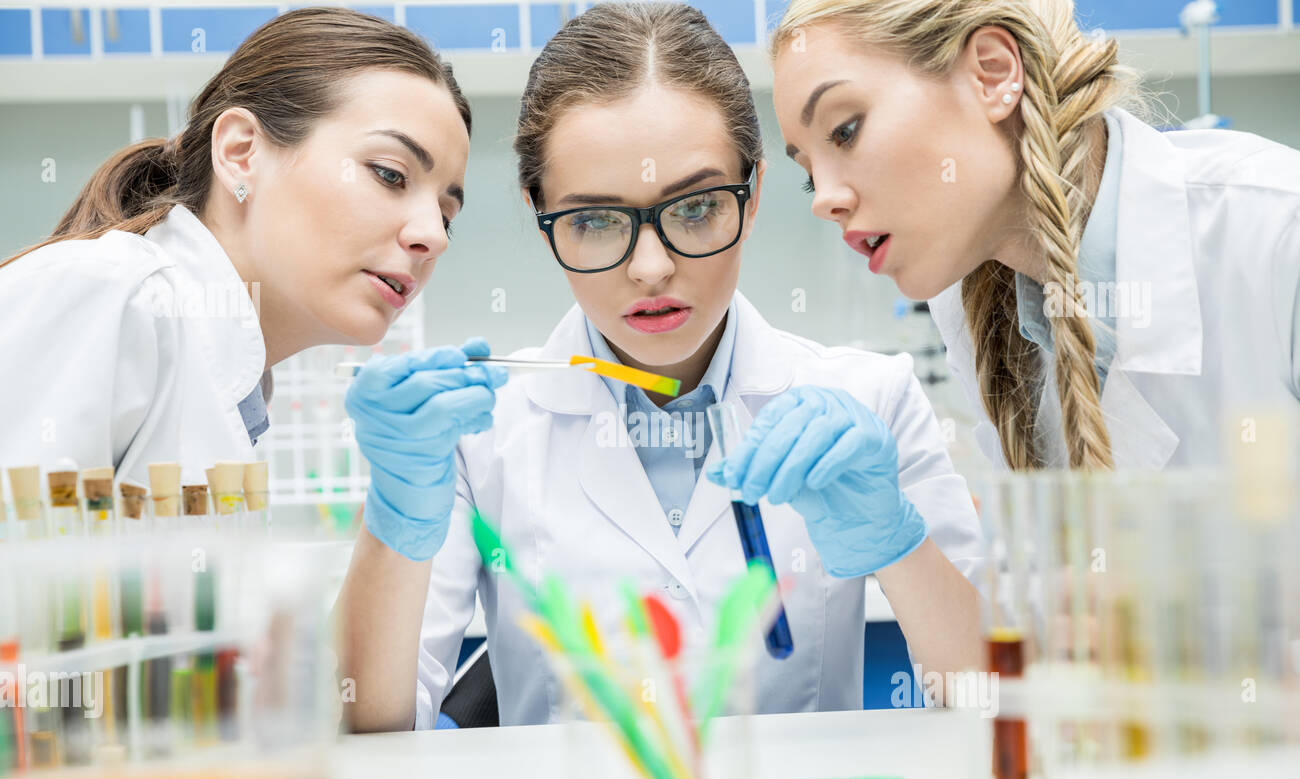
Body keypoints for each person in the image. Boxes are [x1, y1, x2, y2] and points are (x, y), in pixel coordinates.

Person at [338, 2, 984, 732]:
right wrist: (390, 524)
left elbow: (995, 701)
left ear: (755, 190)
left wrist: (896, 545)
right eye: (591, 221)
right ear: (538, 210)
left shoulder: (873, 400)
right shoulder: (475, 435)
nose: (651, 267)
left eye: (697, 208)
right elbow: (369, 730)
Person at [770, 0, 1300, 471]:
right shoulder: (968, 306)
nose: (824, 200)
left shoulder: (1278, 230)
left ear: (994, 74)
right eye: (809, 173)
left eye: (845, 130)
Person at [0, 7, 493, 489]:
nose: (433, 238)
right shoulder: (110, 298)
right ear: (241, 153)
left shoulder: (233, 380)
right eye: (390, 174)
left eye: (448, 216)